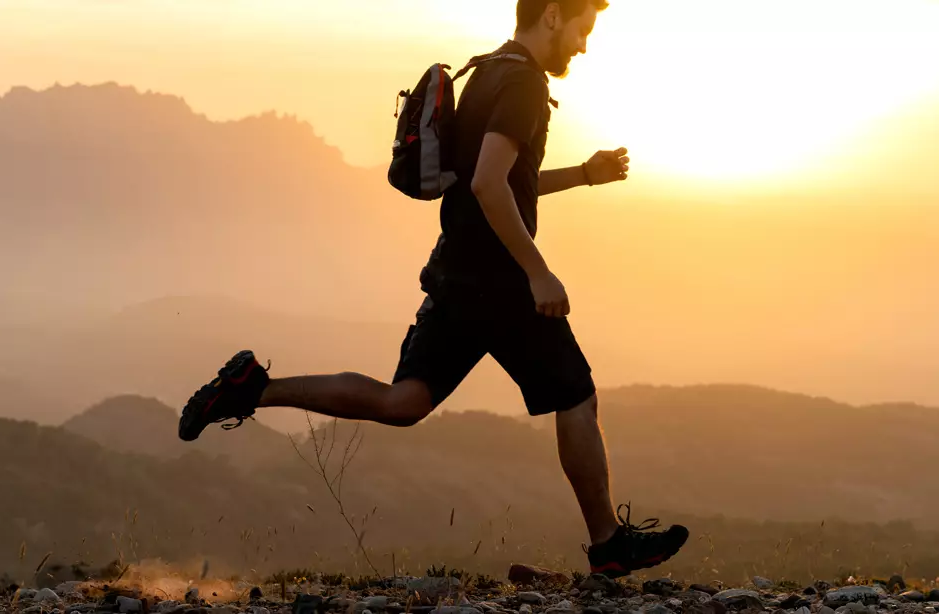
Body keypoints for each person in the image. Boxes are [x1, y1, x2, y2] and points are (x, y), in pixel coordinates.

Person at [177, 0, 689, 578]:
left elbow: (499, 182)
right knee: (575, 394)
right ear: (551, 16)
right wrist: (538, 271)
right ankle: (608, 544)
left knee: (405, 401)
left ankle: (251, 390)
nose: (583, 45)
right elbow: (490, 184)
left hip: (457, 274)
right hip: (498, 282)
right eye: (582, 29)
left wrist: (583, 174)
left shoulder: (489, 71)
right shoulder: (521, 83)